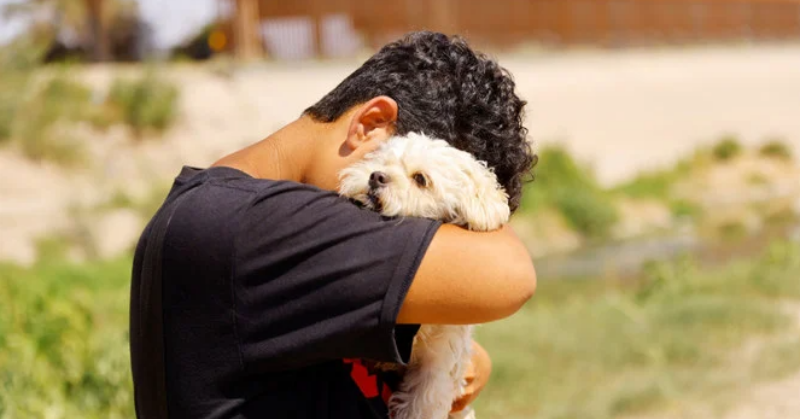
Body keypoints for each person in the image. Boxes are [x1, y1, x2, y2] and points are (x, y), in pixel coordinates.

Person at [130, 31, 537, 419]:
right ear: (372, 125)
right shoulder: (259, 227)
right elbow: (509, 275)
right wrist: (477, 193)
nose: (401, 226)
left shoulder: (216, 210)